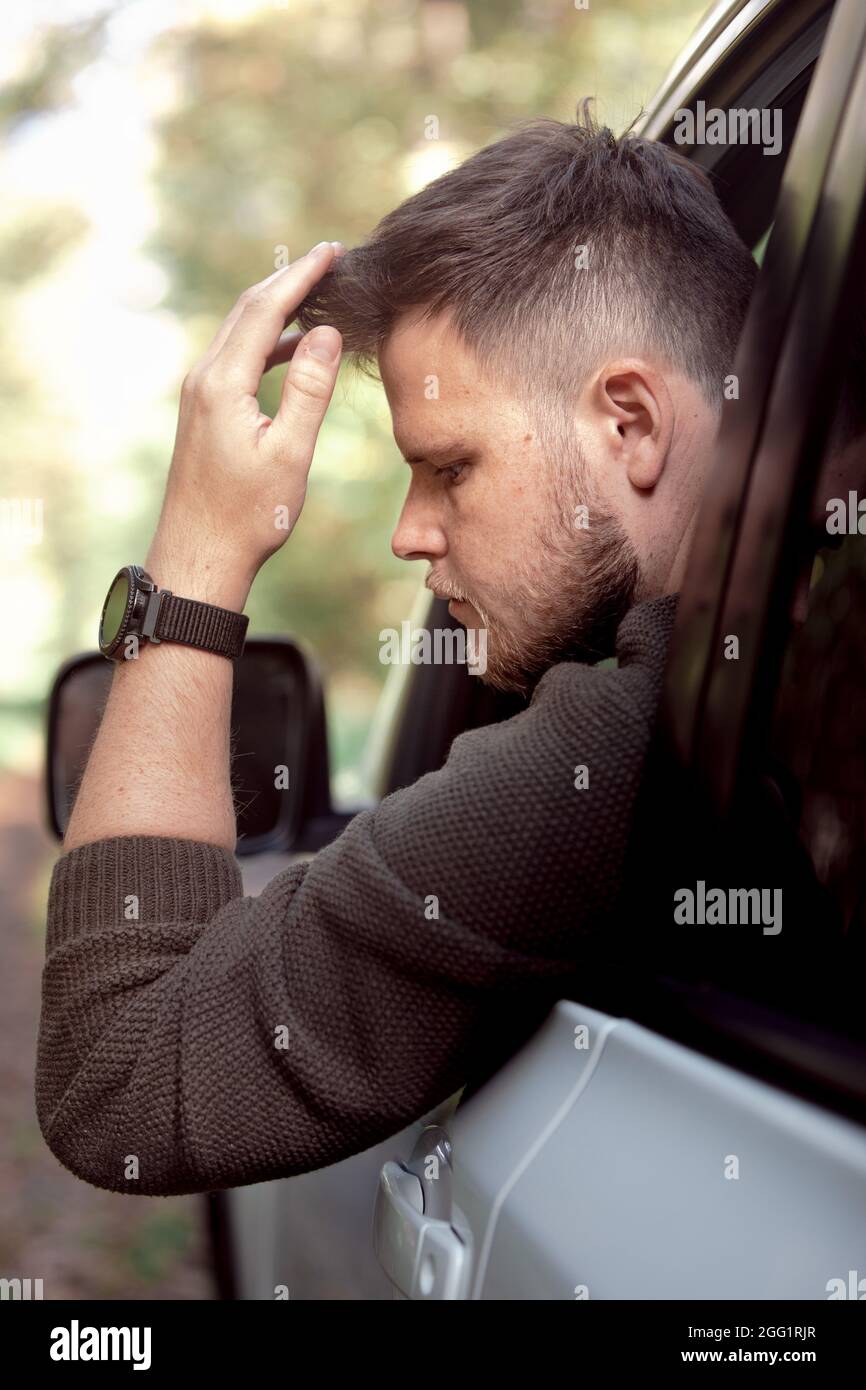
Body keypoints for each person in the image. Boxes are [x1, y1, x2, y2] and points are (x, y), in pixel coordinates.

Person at [33, 108, 855, 1197]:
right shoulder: (801, 663)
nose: (409, 531)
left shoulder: (623, 754)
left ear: (630, 426)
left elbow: (116, 1073)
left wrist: (195, 556)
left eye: (450, 468)